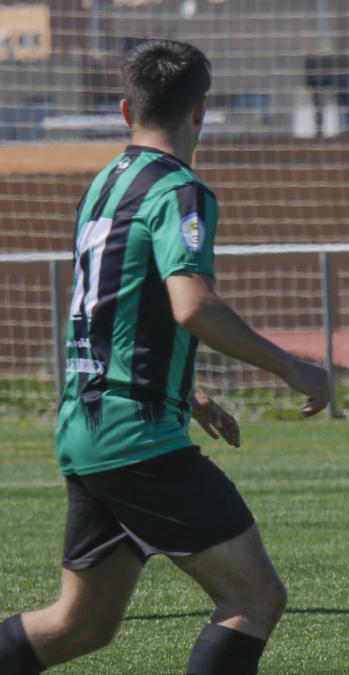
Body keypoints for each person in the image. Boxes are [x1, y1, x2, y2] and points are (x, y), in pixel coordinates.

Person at [0, 39, 329, 674]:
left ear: (127, 108)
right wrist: (294, 367)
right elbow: (192, 306)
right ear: (200, 110)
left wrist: (189, 392)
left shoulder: (103, 185)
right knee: (254, 597)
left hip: (88, 426)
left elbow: (109, 311)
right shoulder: (180, 191)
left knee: (80, 623)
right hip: (136, 438)